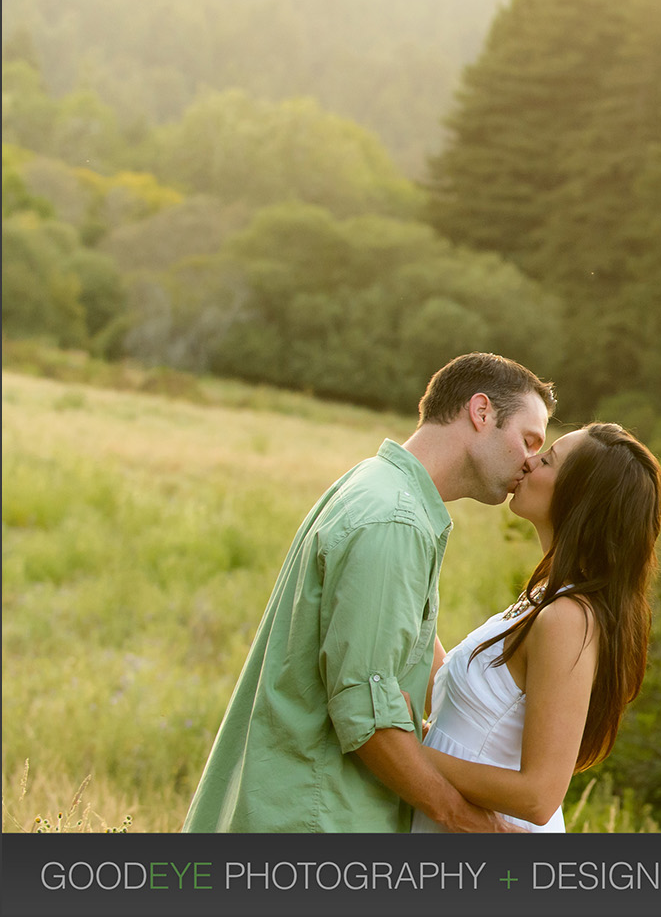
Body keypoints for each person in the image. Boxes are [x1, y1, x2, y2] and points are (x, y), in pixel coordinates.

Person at [183, 353, 555, 833]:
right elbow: (368, 719)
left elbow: (389, 670)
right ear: (481, 412)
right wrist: (470, 823)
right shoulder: (394, 521)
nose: (530, 462)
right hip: (317, 819)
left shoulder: (375, 486)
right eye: (528, 440)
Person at [412, 422, 661, 832]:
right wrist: (406, 601)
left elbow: (538, 796)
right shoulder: (547, 597)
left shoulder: (567, 617)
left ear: (579, 498)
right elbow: (459, 705)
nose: (529, 461)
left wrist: (398, 748)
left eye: (547, 459)